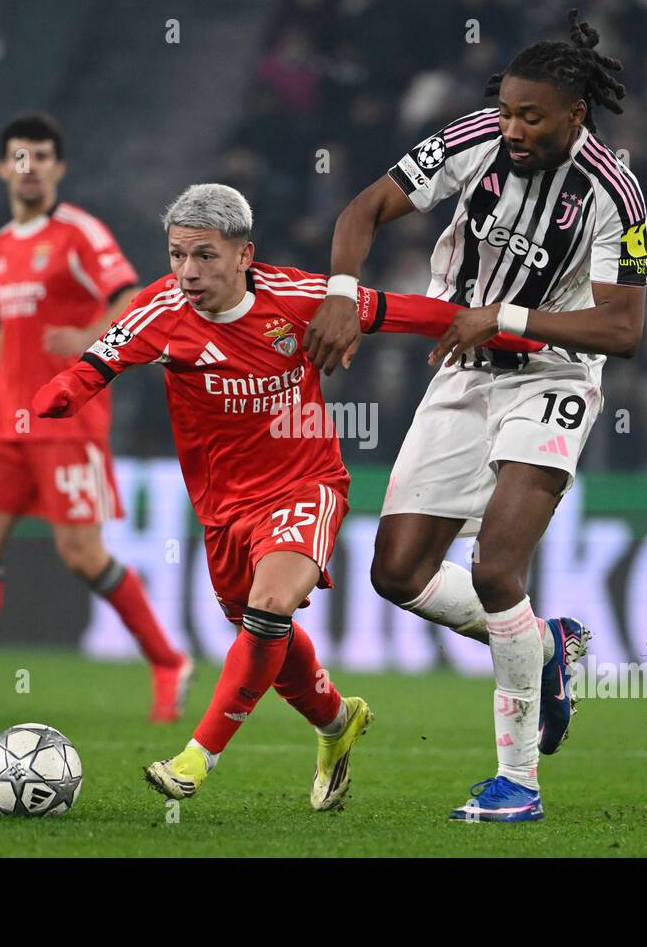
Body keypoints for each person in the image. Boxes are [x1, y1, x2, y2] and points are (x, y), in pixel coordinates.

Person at [34, 183, 539, 809]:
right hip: (222, 509)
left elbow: (408, 312)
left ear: (246, 254)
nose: (187, 273)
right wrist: (64, 391)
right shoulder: (158, 312)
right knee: (261, 627)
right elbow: (100, 360)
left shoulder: (301, 298)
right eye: (176, 256)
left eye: (205, 256)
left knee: (270, 603)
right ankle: (335, 721)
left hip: (306, 485)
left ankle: (198, 755)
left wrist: (521, 335)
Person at [304, 11, 647, 821]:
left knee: (498, 568)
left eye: (534, 116)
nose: (515, 129)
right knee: (396, 572)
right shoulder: (472, 143)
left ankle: (518, 784)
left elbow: (621, 328)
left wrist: (504, 318)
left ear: (576, 116)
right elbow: (362, 209)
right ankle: (547, 645)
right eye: (508, 111)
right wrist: (343, 294)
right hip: (464, 368)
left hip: (555, 374)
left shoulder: (613, 193)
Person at [0, 113, 190, 722]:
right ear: (4, 168)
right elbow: (13, 334)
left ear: (58, 167)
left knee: (81, 553)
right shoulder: (4, 243)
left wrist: (89, 335)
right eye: (18, 157)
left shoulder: (79, 233)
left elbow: (133, 299)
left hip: (67, 417)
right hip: (4, 418)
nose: (30, 169)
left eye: (42, 157)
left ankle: (168, 660)